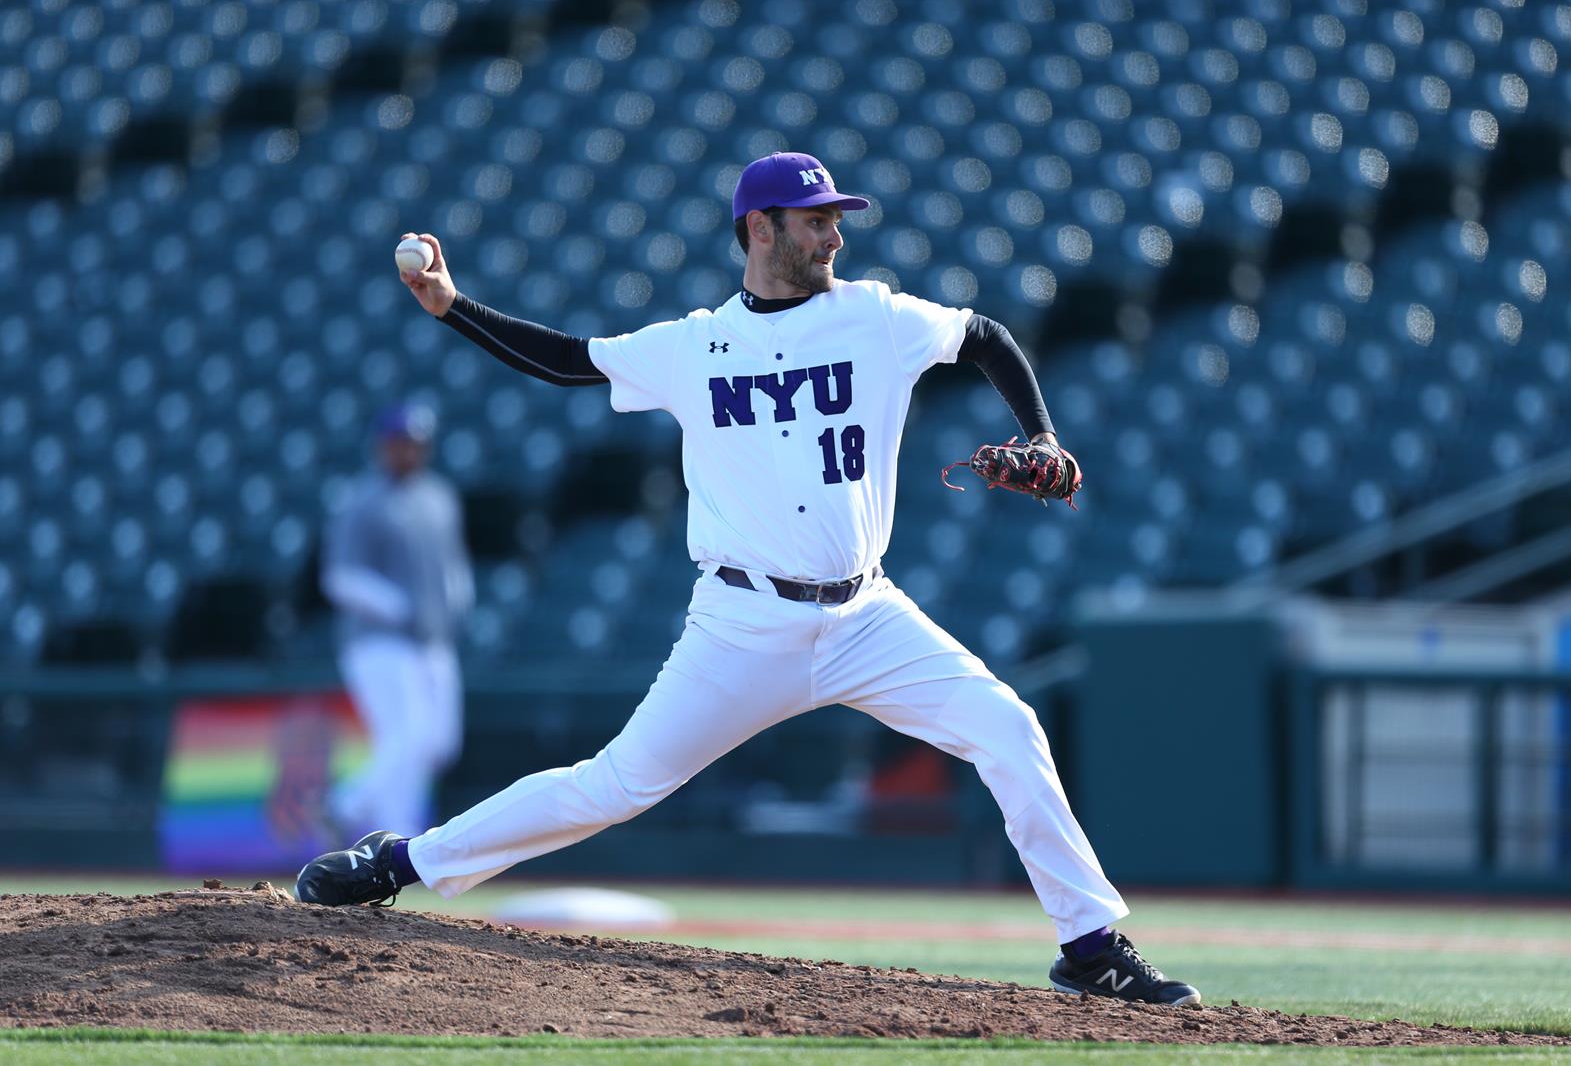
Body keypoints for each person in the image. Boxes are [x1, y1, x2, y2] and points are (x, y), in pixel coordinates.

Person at [296, 152, 1200, 1006]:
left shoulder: (876, 316)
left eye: (836, 218)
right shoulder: (697, 344)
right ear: (759, 228)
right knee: (612, 786)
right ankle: (404, 862)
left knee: (1009, 727)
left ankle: (1089, 948)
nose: (835, 235)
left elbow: (985, 337)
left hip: (865, 614)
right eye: (816, 220)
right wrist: (454, 305)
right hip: (740, 623)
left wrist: (1039, 432)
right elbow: (570, 359)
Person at [319, 402, 474, 838]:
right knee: (406, 737)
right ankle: (388, 831)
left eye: (416, 443)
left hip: (433, 639)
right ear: (382, 446)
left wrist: (457, 597)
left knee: (438, 742)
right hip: (378, 640)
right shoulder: (362, 500)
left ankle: (350, 806)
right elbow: (339, 576)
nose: (408, 451)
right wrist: (396, 605)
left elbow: (453, 563)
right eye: (400, 443)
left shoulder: (439, 497)